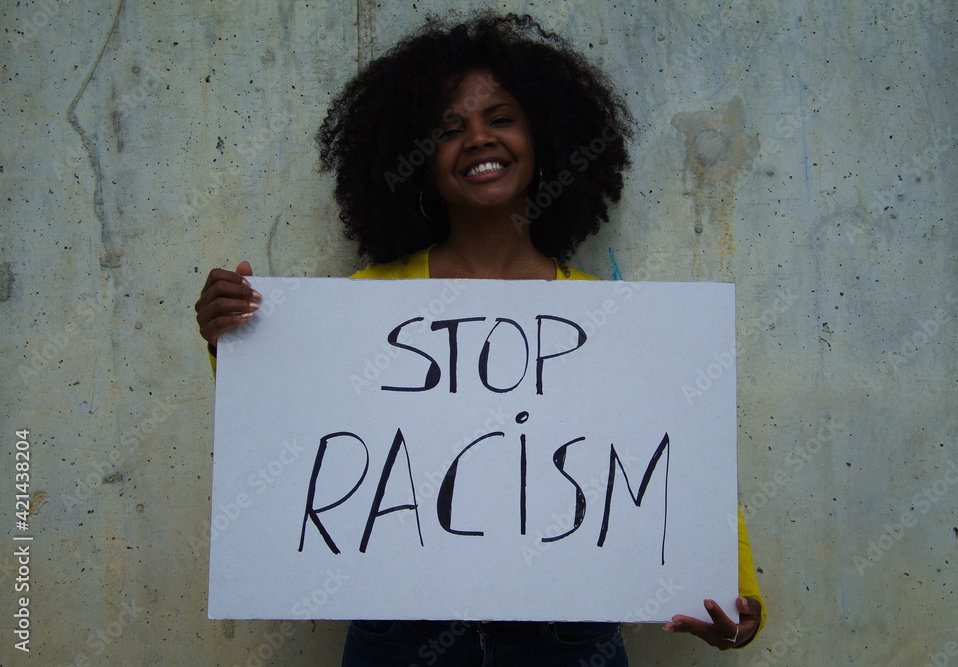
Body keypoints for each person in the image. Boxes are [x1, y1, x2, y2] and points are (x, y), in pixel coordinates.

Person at [195, 12, 765, 665]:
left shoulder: (614, 319)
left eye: (501, 117)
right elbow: (297, 445)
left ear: (544, 135)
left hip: (570, 640)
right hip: (400, 641)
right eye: (446, 128)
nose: (475, 138)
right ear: (414, 158)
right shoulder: (365, 304)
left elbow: (674, 455)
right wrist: (234, 342)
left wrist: (734, 592)